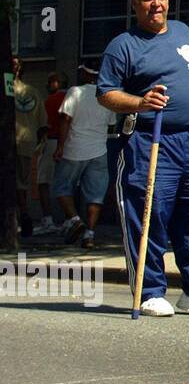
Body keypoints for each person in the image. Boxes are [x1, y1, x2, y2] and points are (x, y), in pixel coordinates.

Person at [97, 0, 189, 317]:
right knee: (149, 213)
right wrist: (140, 103)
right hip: (148, 139)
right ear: (135, 5)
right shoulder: (123, 45)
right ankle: (149, 291)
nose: (155, 3)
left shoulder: (183, 32)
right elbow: (106, 93)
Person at [53, 64, 116, 248]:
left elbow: (65, 119)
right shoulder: (107, 95)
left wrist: (60, 146)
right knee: (95, 196)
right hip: (99, 151)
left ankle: (75, 220)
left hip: (74, 149)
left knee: (61, 187)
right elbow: (111, 123)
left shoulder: (74, 91)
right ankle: (90, 235)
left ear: (86, 74)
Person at [11, 56, 47, 236]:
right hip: (27, 142)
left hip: (15, 141)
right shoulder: (33, 92)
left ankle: (20, 218)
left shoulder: (8, 90)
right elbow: (43, 124)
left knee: (17, 182)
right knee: (21, 183)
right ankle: (23, 217)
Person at [33, 70, 67, 236]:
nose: (47, 85)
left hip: (53, 141)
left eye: (50, 82)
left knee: (43, 181)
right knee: (67, 183)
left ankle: (48, 220)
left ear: (56, 83)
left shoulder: (51, 101)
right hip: (71, 144)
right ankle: (70, 220)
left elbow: (43, 123)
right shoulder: (72, 98)